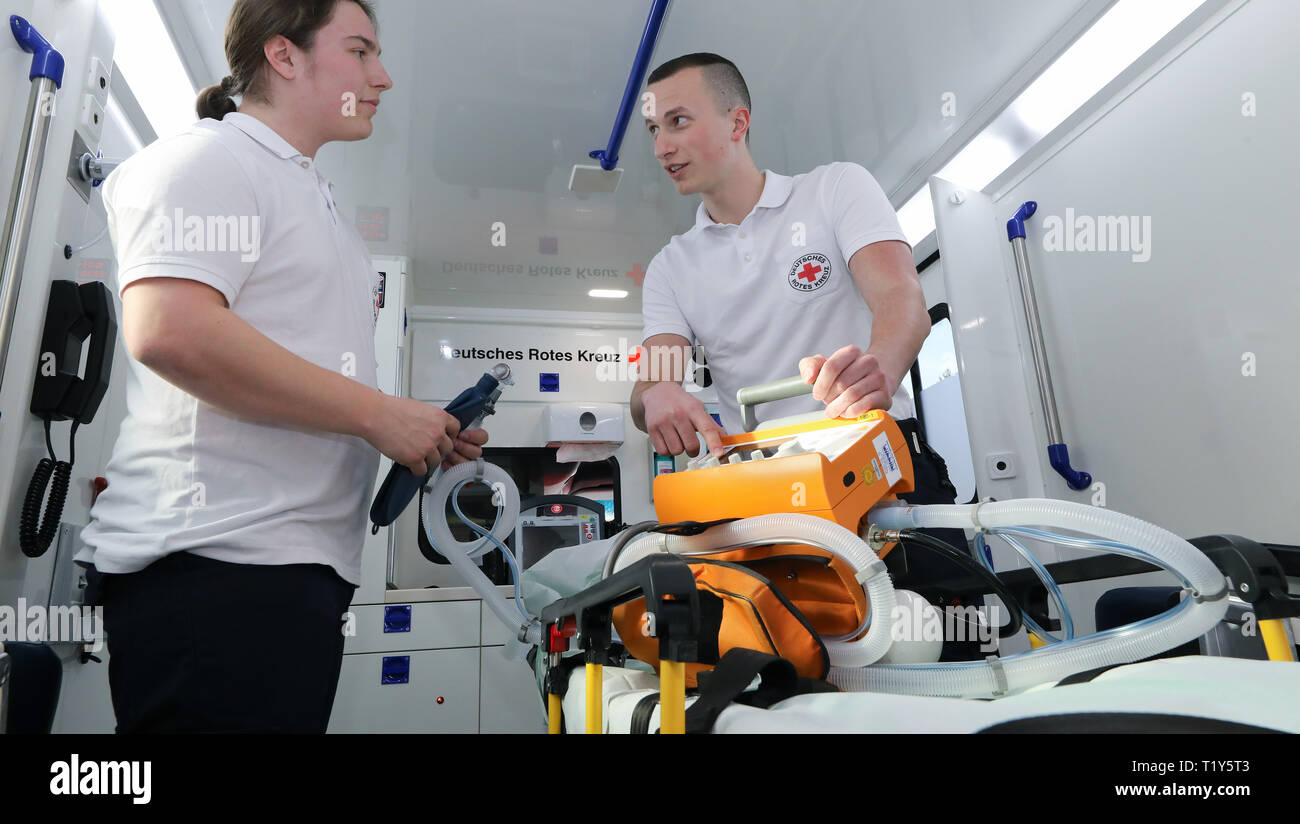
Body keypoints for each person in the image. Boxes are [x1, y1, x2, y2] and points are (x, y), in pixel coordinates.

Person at [76, 0, 486, 733]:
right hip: (219, 566)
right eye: (360, 51)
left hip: (290, 573)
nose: (383, 77)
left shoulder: (315, 201)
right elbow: (170, 331)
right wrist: (380, 415)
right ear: (283, 55)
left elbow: (304, 383)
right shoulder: (210, 159)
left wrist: (412, 427)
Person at [630, 53, 974, 656]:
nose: (662, 146)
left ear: (738, 123)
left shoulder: (835, 189)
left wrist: (878, 371)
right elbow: (653, 379)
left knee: (948, 653)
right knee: (798, 676)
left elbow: (902, 301)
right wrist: (656, 391)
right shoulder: (671, 267)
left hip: (879, 469)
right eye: (654, 130)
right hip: (761, 496)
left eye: (678, 121)